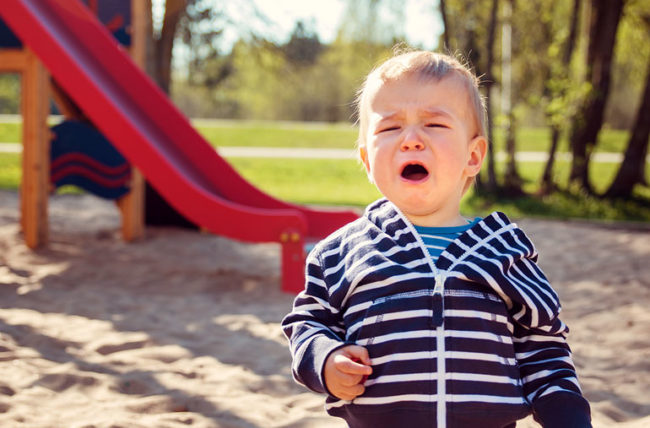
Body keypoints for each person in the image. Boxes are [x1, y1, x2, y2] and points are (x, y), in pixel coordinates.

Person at [281, 50, 591, 428]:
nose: (411, 139)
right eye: (390, 128)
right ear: (366, 158)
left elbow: (542, 342)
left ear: (473, 156)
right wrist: (326, 359)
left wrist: (567, 414)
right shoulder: (339, 254)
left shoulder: (505, 251)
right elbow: (308, 324)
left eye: (434, 125)